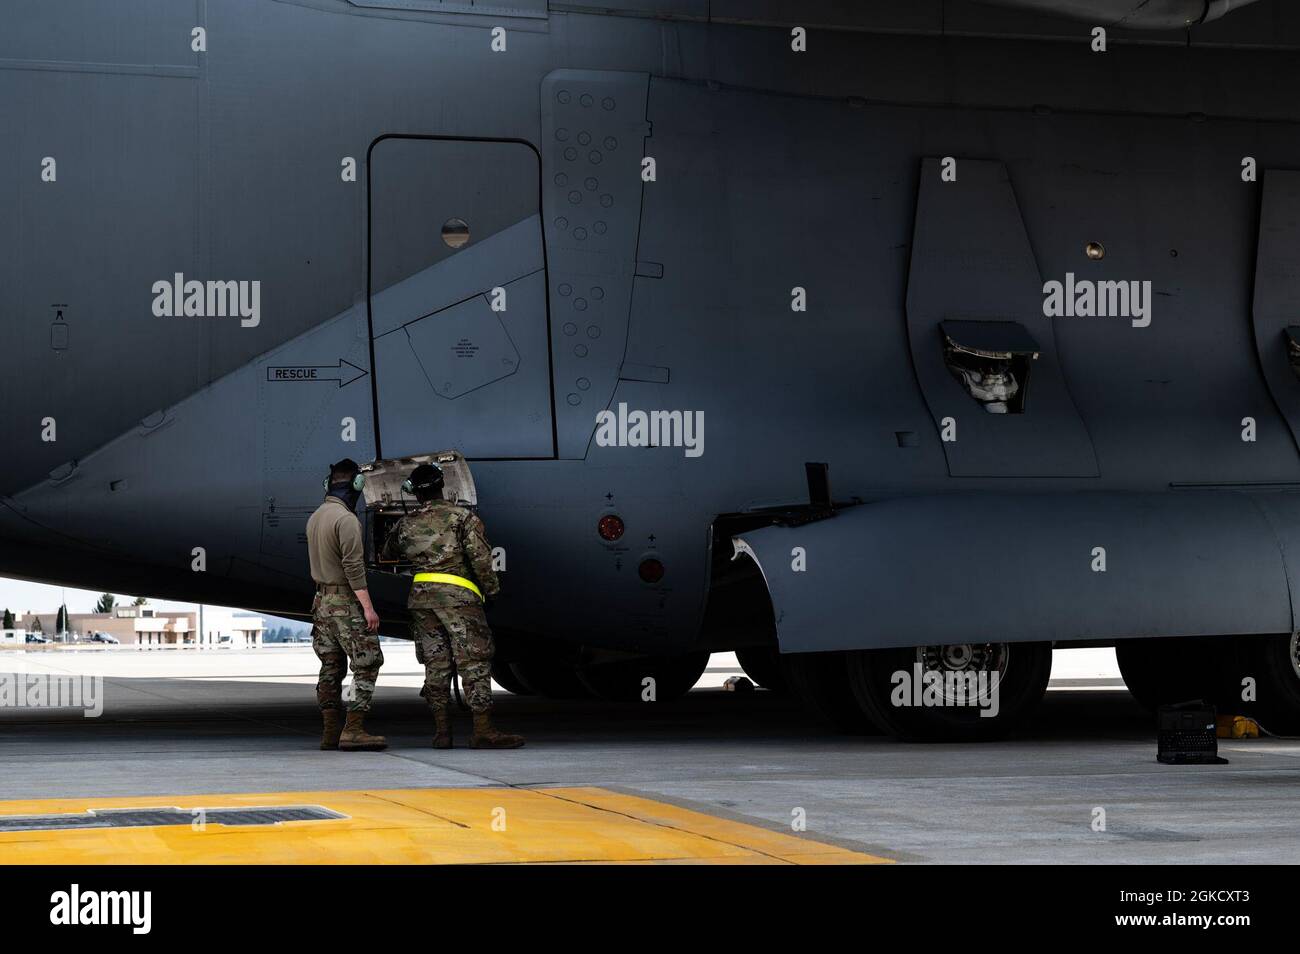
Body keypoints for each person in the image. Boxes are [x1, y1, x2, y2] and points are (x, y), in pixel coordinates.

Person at [382, 462, 523, 749]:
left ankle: (442, 732)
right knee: (474, 660)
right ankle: (482, 729)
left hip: (422, 601)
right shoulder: (462, 518)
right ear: (442, 486)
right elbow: (482, 560)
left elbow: (387, 553)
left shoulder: (405, 524)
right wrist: (492, 591)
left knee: (436, 664)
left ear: (414, 492)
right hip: (458, 599)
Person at [305, 458, 386, 751]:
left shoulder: (316, 516)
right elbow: (353, 566)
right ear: (357, 485)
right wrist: (367, 607)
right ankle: (353, 728)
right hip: (345, 602)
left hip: (321, 602)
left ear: (329, 485)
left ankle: (329, 732)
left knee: (330, 665)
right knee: (368, 661)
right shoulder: (347, 520)